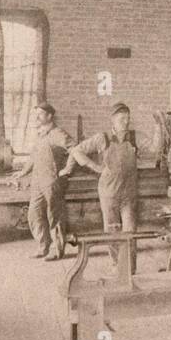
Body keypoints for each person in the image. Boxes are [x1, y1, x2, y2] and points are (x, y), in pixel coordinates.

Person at [61, 101, 138, 272]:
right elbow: (76, 151)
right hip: (109, 193)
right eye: (122, 119)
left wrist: (159, 127)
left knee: (131, 231)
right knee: (112, 230)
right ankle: (116, 265)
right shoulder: (102, 138)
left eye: (128, 118)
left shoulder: (133, 138)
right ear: (113, 120)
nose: (126, 122)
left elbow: (155, 147)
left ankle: (130, 268)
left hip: (128, 194)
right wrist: (95, 167)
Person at [13, 103, 74, 260]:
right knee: (33, 214)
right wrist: (23, 172)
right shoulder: (40, 135)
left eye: (40, 114)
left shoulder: (58, 134)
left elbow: (75, 149)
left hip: (52, 180)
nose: (37, 117)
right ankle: (42, 246)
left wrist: (68, 168)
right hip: (37, 181)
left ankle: (56, 250)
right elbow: (33, 157)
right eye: (36, 114)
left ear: (49, 116)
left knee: (54, 215)